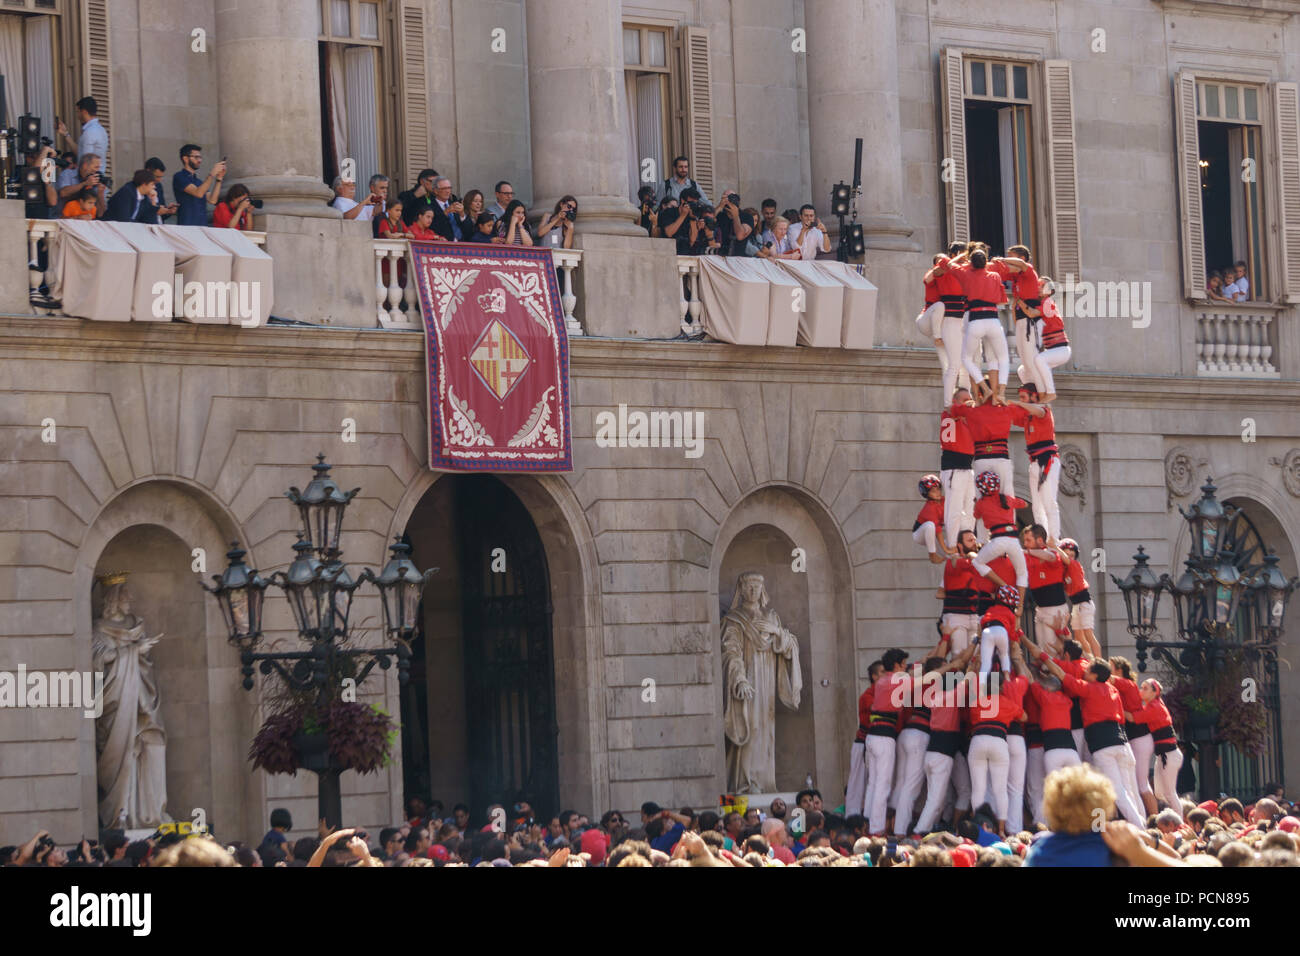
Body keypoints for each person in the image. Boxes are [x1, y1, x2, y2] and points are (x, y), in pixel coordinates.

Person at [1027, 637, 1146, 825]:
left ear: (1095, 676)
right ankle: (1139, 825)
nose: (1085, 672)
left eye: (1088, 671)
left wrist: (1040, 656)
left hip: (1102, 745)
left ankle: (1137, 830)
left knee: (1112, 791)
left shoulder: (1088, 689)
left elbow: (1060, 674)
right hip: (1123, 744)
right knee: (1130, 789)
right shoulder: (1112, 690)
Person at [937, 247, 1011, 403]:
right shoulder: (995, 275)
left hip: (975, 320)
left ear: (972, 262)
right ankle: (1001, 394)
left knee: (966, 359)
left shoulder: (965, 274)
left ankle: (985, 388)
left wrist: (963, 257)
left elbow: (947, 263)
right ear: (985, 262)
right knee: (1003, 358)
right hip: (993, 320)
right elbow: (1002, 299)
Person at [864, 648, 909, 835]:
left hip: (872, 737)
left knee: (873, 784)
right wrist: (952, 666)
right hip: (884, 739)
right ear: (897, 665)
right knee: (882, 785)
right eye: (904, 665)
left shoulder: (883, 680)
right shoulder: (898, 680)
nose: (906, 668)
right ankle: (876, 830)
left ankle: (865, 824)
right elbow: (923, 679)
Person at [1010, 384, 1061, 540]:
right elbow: (1009, 415)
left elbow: (1037, 410)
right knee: (1037, 506)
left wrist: (1017, 404)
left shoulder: (1043, 411)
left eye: (1024, 397)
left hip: (1048, 461)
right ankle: (1043, 538)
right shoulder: (1027, 416)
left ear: (1034, 397)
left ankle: (1054, 538)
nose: (1021, 401)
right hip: (1034, 463)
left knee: (1049, 502)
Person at [1110, 656, 1158, 817]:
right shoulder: (1124, 686)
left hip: (1140, 738)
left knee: (1142, 784)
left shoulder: (1127, 684)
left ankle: (1155, 819)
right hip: (1137, 738)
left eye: (1110, 667)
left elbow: (1107, 677)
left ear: (1119, 670)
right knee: (1137, 784)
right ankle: (1147, 818)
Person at [970, 471, 1029, 598]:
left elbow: (976, 515)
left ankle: (1003, 585)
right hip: (1013, 541)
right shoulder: (1006, 499)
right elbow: (1025, 504)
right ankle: (1020, 604)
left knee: (977, 563)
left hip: (998, 541)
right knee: (1022, 573)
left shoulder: (981, 503)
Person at [1133, 678, 1183, 819]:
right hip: (1165, 755)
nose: (1141, 690)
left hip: (1169, 755)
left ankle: (1178, 824)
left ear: (1155, 693)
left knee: (1169, 793)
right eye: (1141, 687)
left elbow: (1133, 718)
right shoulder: (1154, 705)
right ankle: (1173, 819)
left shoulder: (1155, 707)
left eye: (1145, 688)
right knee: (1160, 793)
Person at [1021, 524, 1070, 654]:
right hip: (1040, 609)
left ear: (1040, 540)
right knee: (1042, 652)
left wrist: (1027, 551)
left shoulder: (1053, 552)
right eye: (1024, 541)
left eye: (1028, 540)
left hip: (1055, 610)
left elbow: (1050, 557)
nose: (1025, 544)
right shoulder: (1027, 556)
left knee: (1054, 651)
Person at [845, 659, 884, 819]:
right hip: (863, 744)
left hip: (875, 744)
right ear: (874, 676)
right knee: (856, 783)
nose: (886, 675)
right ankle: (852, 817)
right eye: (882, 672)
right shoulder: (867, 696)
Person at [939, 387, 977, 548]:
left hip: (967, 467)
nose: (969, 403)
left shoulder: (965, 417)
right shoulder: (950, 413)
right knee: (954, 509)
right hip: (953, 466)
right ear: (955, 402)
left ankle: (967, 543)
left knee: (970, 508)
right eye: (965, 400)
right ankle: (953, 544)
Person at [938, 531, 983, 656]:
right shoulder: (953, 562)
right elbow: (967, 564)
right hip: (956, 616)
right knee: (958, 655)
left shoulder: (977, 562)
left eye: (974, 540)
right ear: (960, 545)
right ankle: (956, 677)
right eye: (970, 540)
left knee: (975, 656)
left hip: (973, 615)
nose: (974, 543)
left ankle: (973, 677)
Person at [1059, 538, 1101, 657]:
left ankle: (1100, 663)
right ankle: (1089, 659)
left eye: (1072, 555)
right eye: (1066, 554)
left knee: (1088, 634)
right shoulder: (1065, 571)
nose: (1069, 557)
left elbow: (1066, 560)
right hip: (1077, 605)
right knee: (1078, 636)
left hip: (1084, 603)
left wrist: (1054, 546)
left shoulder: (1074, 565)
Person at [174, 144, 226, 226]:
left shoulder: (199, 182)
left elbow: (212, 200)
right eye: (196, 157)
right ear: (185, 159)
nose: (199, 160)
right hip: (187, 227)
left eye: (200, 157)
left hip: (202, 226)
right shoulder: (179, 176)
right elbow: (198, 193)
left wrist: (219, 179)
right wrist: (212, 173)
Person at [57, 96, 108, 164]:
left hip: (90, 174)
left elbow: (86, 162)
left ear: (84, 112)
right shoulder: (100, 130)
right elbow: (80, 153)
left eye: (78, 112)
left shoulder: (90, 132)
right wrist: (65, 134)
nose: (77, 116)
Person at [57, 153, 107, 219]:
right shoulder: (67, 173)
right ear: (85, 166)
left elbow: (101, 214)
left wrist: (100, 194)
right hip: (64, 219)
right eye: (96, 167)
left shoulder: (97, 180)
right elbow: (63, 193)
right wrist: (85, 183)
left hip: (86, 223)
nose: (97, 170)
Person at [913, 474, 948, 565]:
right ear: (926, 493)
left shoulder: (944, 501)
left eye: (938, 489)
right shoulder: (930, 508)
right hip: (920, 534)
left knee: (952, 557)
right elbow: (938, 529)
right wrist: (945, 548)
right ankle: (932, 555)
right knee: (930, 525)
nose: (937, 493)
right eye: (933, 491)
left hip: (933, 536)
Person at [712, 189, 753, 256]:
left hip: (738, 259)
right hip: (719, 257)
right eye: (726, 198)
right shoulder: (719, 216)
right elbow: (707, 222)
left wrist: (735, 216)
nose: (729, 201)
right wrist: (719, 207)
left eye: (732, 197)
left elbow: (740, 236)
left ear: (738, 201)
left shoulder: (747, 217)